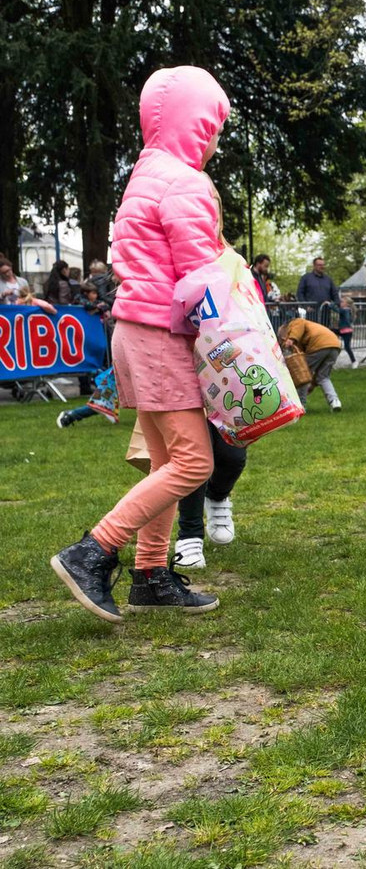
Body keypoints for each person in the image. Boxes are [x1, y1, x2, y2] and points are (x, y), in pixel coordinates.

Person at [49, 65, 226, 621]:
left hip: (132, 331)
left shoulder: (146, 174)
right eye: (213, 123)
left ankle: (150, 575)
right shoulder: (186, 181)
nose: (216, 136)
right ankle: (93, 551)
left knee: (162, 460)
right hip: (160, 334)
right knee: (195, 463)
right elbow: (201, 277)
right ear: (193, 122)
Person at [171, 425, 247, 569]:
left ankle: (217, 497)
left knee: (233, 456)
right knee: (195, 458)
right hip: (184, 403)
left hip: (225, 404)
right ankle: (190, 533)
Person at [282, 317, 342, 411]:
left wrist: (291, 339)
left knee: (302, 374)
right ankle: (334, 401)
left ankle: (301, 405)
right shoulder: (308, 328)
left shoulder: (296, 322)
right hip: (334, 345)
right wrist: (313, 384)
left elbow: (299, 324)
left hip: (318, 345)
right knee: (323, 377)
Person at [337, 296, 356, 364]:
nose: (340, 303)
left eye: (342, 302)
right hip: (344, 331)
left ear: (347, 304)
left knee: (347, 347)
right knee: (347, 347)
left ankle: (354, 361)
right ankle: (354, 361)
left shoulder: (345, 310)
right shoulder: (348, 310)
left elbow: (336, 310)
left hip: (346, 331)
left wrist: (331, 304)